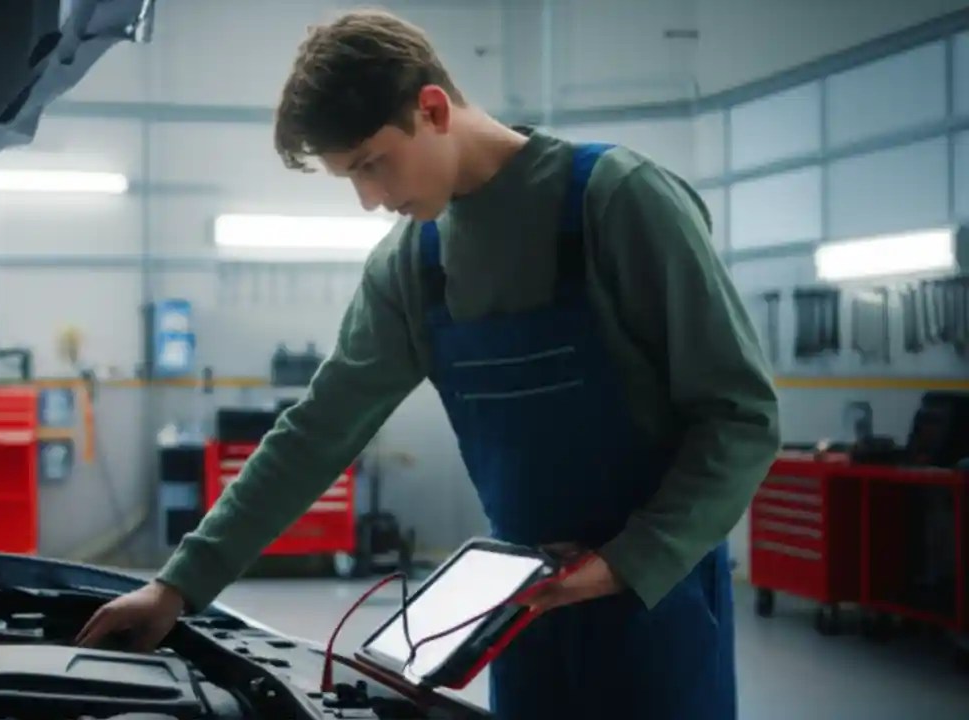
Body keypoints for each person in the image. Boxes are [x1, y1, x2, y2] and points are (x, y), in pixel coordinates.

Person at [77, 9, 780, 719]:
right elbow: (317, 431)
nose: (369, 200)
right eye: (348, 178)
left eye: (371, 164)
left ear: (433, 108)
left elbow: (741, 418)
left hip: (657, 603)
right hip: (525, 612)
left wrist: (625, 564)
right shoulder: (414, 265)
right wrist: (179, 585)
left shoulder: (619, 203)